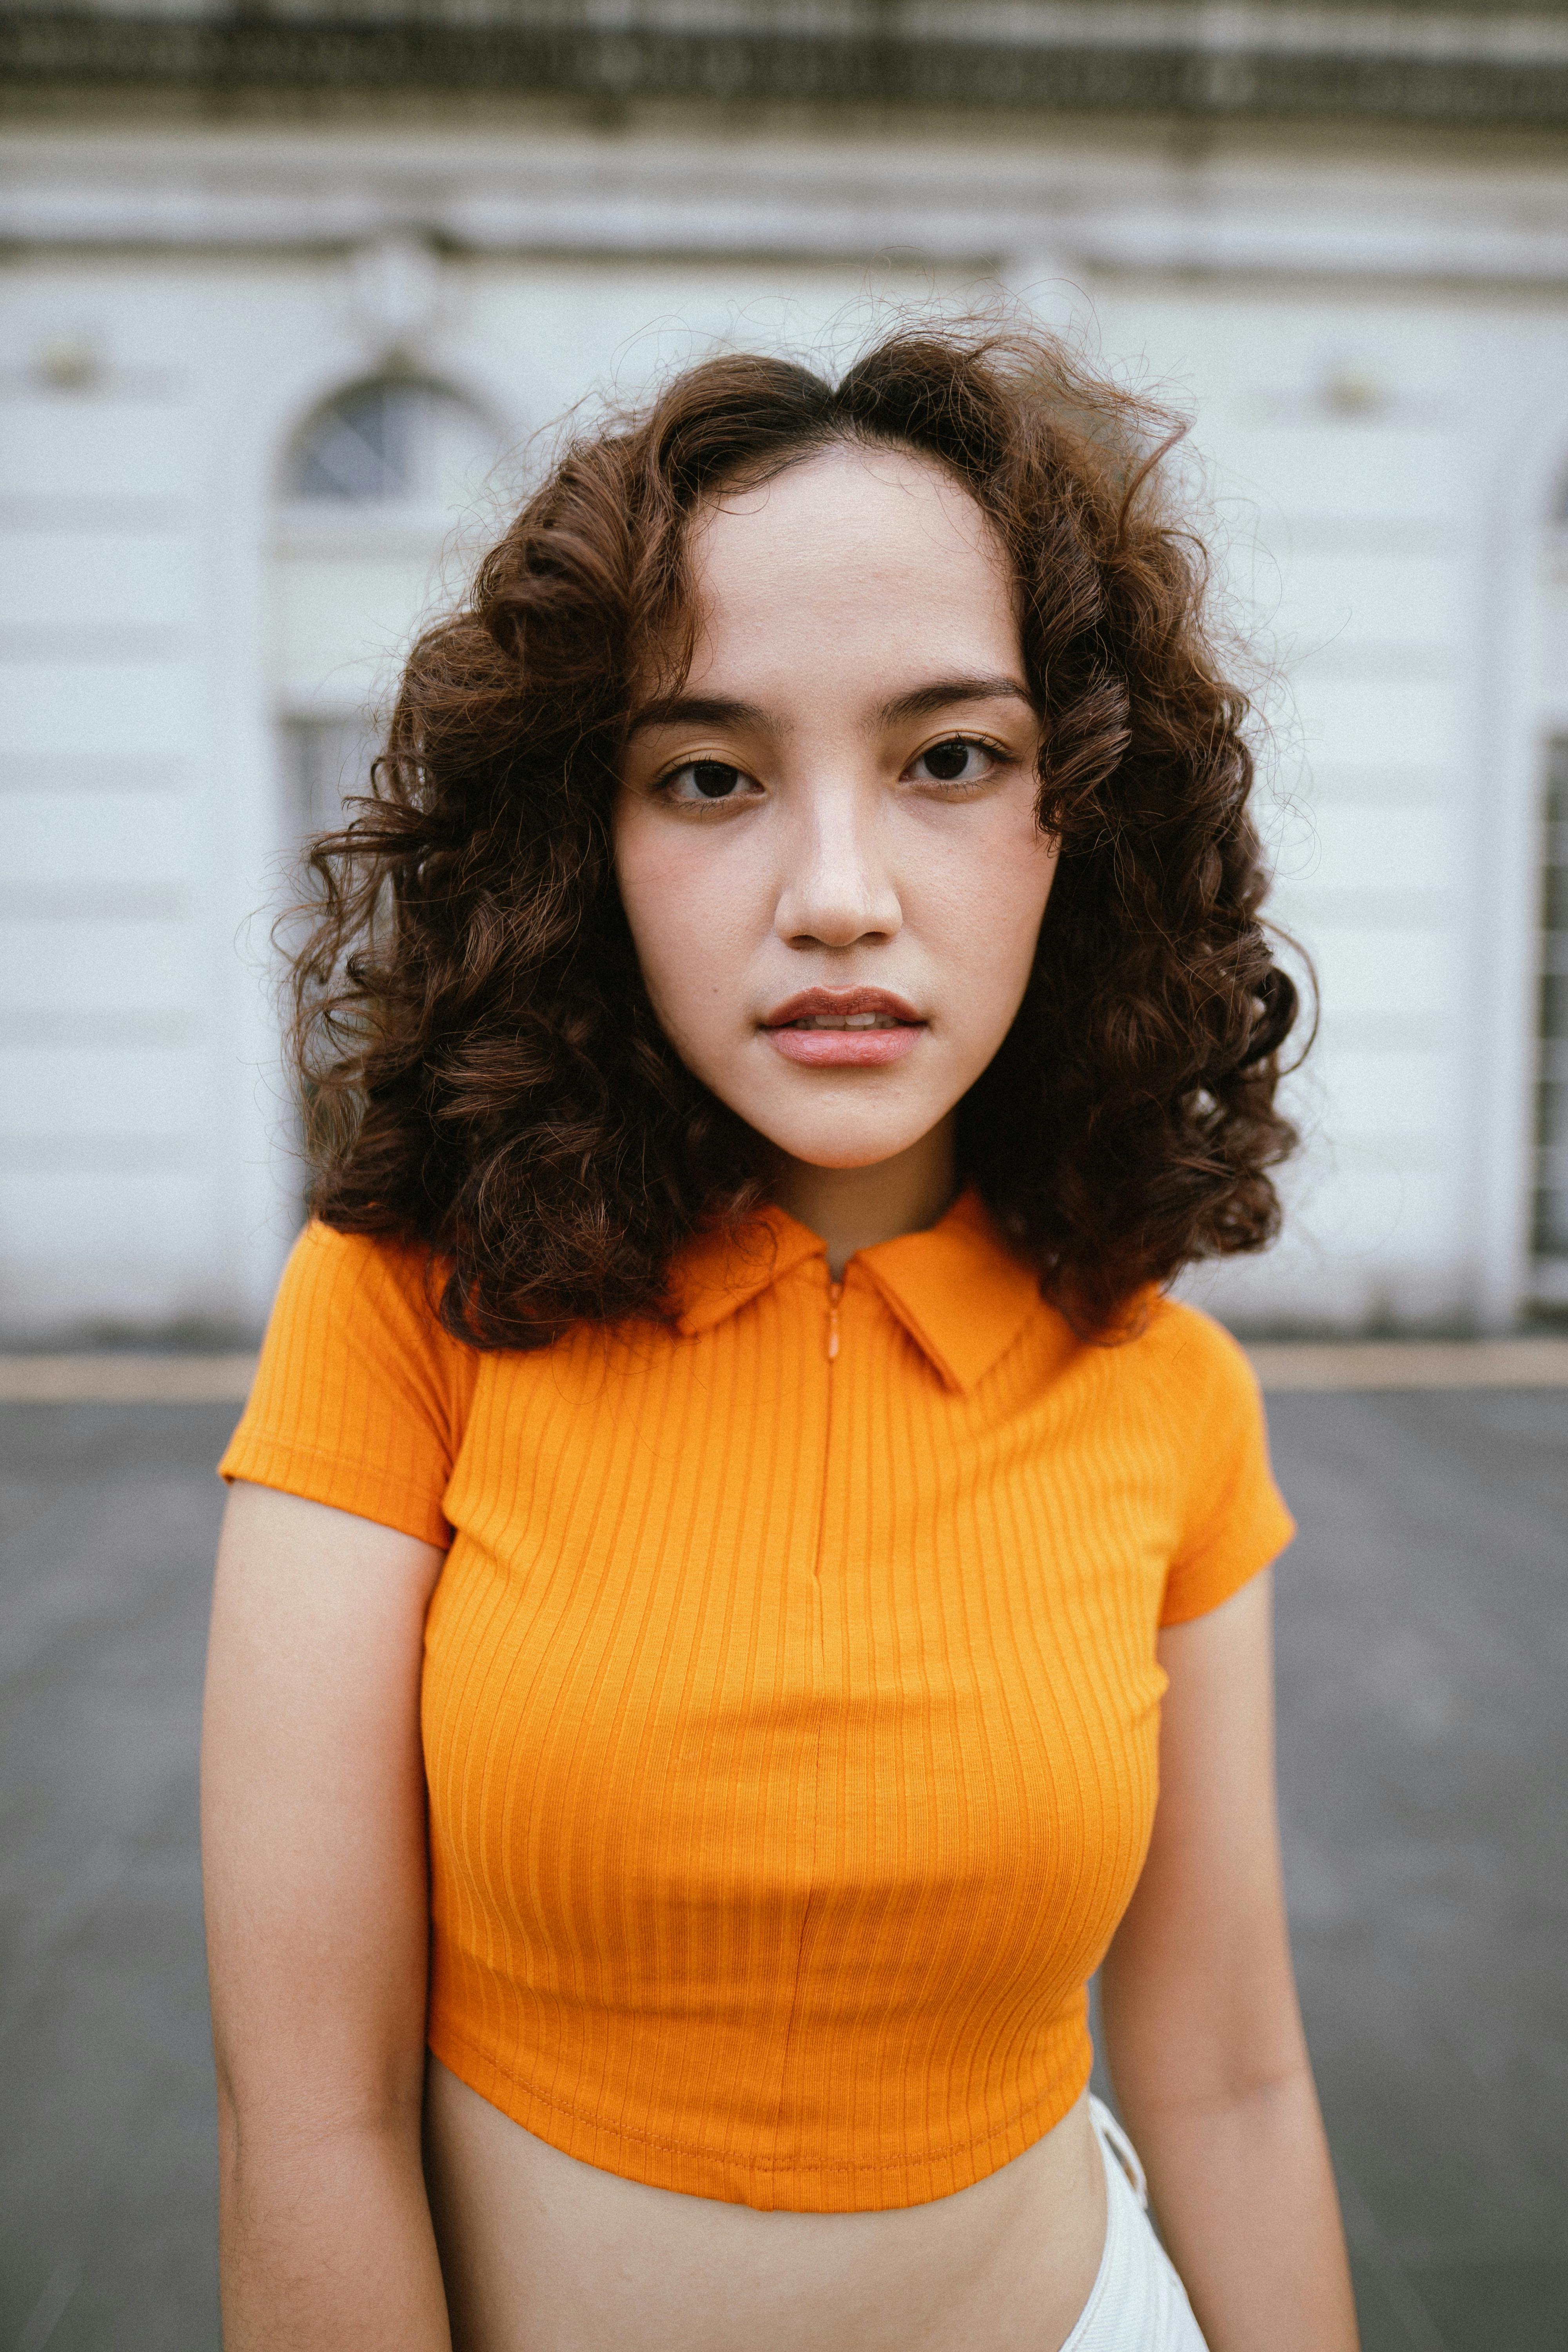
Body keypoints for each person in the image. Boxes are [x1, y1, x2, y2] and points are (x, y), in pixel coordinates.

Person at [201, 318, 1360, 2352]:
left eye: (948, 759)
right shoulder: (400, 1313)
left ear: (1076, 815)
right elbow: (305, 2119)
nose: (837, 894)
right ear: (593, 840)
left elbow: (1237, 2086)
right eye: (714, 773)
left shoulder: (1172, 1394)